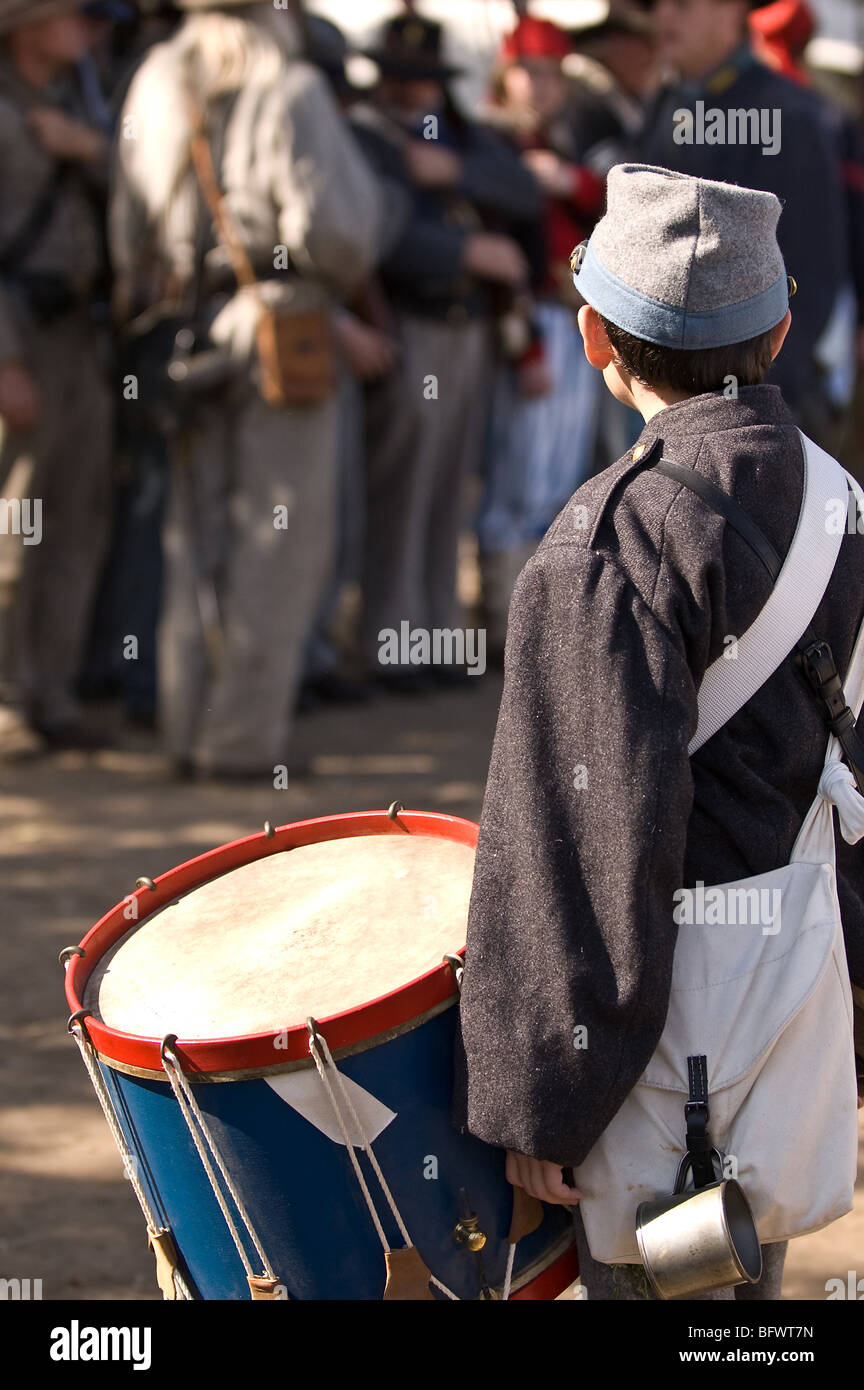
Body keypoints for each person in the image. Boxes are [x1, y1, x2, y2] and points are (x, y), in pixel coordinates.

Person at [453, 163, 864, 1299]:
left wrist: (546, 1090)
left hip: (654, 1049)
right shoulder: (839, 497)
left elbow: (582, 843)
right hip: (792, 991)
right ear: (781, 329)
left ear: (593, 335)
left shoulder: (608, 540)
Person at [110, 0, 383, 779]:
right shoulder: (290, 87)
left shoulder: (154, 82)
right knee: (281, 540)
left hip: (181, 331)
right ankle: (241, 744)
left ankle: (183, 726)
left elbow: (125, 231)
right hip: (279, 325)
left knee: (191, 539)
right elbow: (341, 232)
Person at [350, 13, 543, 692]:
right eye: (401, 78)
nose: (412, 93)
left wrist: (454, 172)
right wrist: (466, 250)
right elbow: (376, 240)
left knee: (446, 495)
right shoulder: (366, 140)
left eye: (423, 79)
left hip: (472, 330)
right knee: (403, 494)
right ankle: (388, 645)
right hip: (412, 322)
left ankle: (431, 636)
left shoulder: (463, 138)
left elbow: (523, 190)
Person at [636, 0, 854, 450]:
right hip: (657, 375)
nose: (663, 17)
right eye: (658, 5)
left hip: (739, 393)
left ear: (732, 11)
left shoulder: (785, 111)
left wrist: (758, 382)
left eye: (681, 5)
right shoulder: (668, 99)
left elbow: (811, 265)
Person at [476, 15, 609, 663]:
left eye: (552, 73)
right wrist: (524, 344)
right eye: (528, 71)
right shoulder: (488, 139)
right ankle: (507, 620)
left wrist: (572, 181)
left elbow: (606, 200)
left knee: (558, 479)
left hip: (569, 316)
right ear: (505, 76)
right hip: (523, 326)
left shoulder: (567, 136)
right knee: (517, 481)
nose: (540, 85)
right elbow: (505, 259)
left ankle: (536, 615)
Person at [0, 0, 112, 759]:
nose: (85, 25)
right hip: (19, 334)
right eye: (70, 12)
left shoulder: (82, 101)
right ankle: (7, 697)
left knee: (75, 521)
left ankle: (52, 690)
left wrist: (89, 148)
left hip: (79, 331)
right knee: (15, 527)